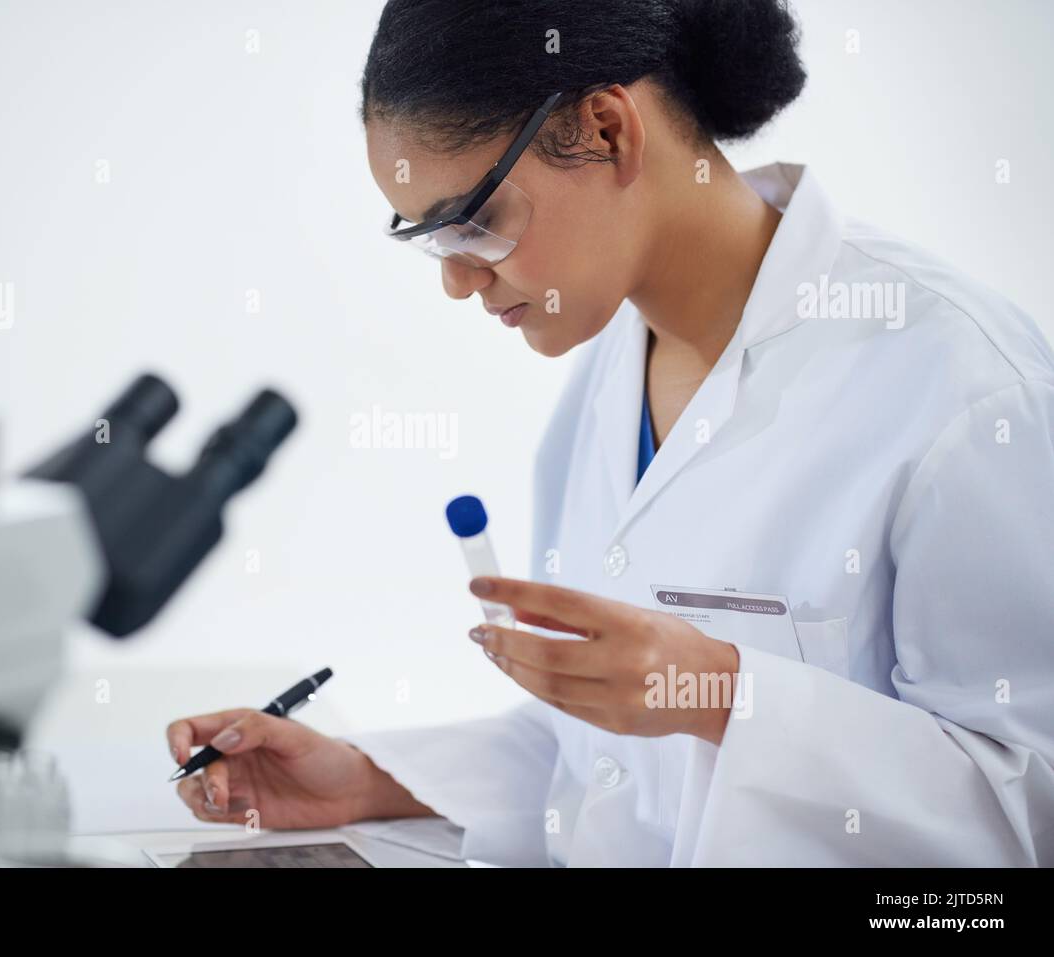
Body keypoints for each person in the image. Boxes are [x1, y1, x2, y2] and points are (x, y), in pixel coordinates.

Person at [167, 0, 1054, 865]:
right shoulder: (605, 377)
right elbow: (609, 760)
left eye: (471, 223)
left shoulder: (965, 387)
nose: (458, 282)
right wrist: (362, 779)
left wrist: (721, 690)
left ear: (606, 129)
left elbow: (1030, 809)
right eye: (429, 238)